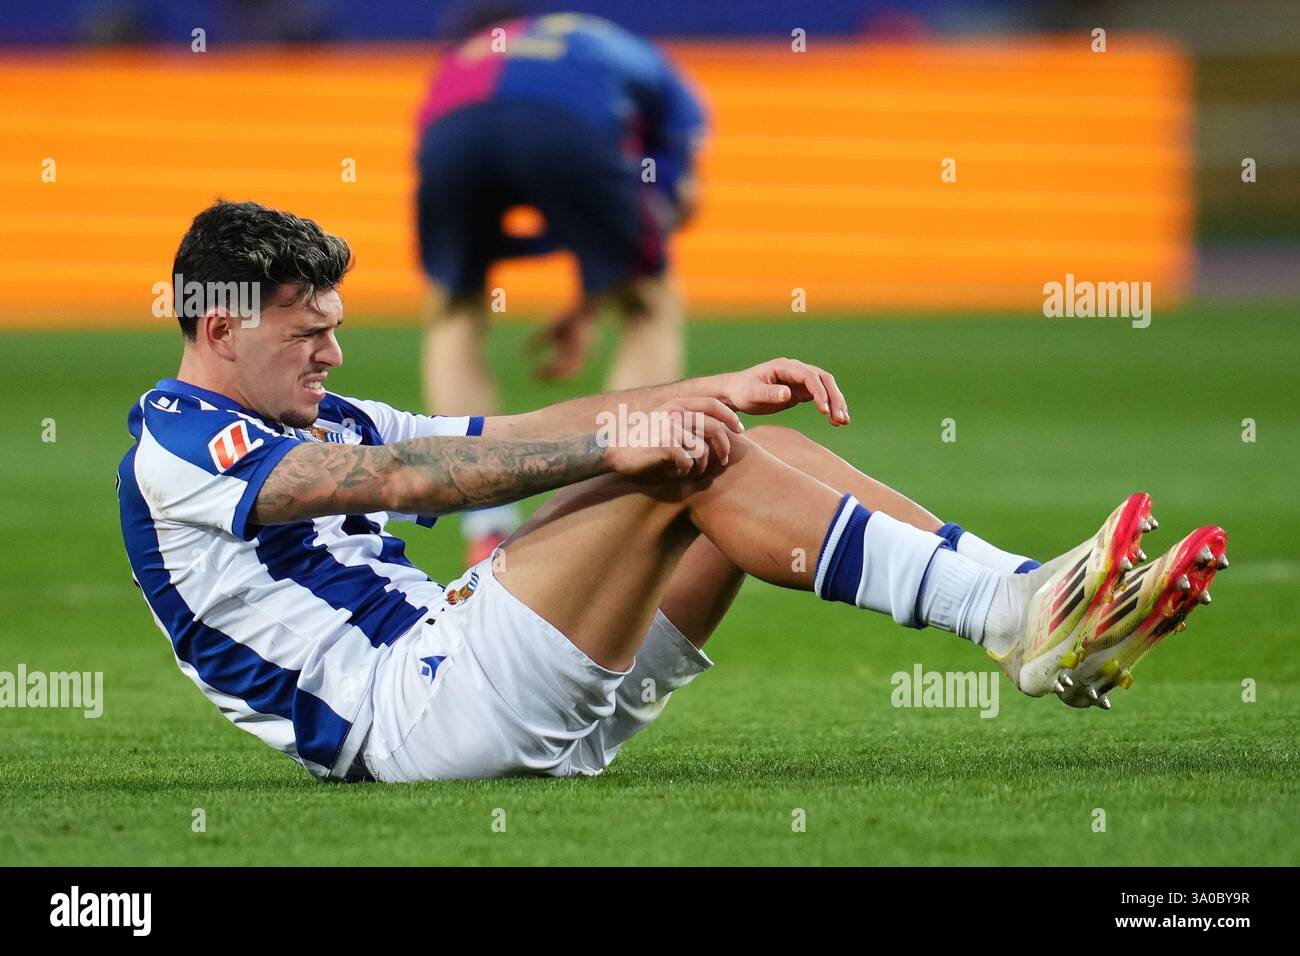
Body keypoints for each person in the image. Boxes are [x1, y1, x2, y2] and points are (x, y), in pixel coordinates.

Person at [117, 201, 1228, 782]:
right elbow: (412, 476)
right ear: (220, 326)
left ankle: (1038, 603)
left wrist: (706, 388)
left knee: (714, 438)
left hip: (466, 672)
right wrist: (634, 445)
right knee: (682, 461)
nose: (332, 357)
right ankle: (1016, 615)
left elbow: (509, 432)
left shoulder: (313, 414)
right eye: (309, 333)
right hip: (412, 718)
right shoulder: (178, 441)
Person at [414, 11, 707, 563]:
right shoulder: (612, 42)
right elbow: (672, 199)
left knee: (454, 312)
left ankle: (488, 524)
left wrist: (586, 303)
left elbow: (484, 144)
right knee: (650, 304)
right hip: (567, 128)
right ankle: (603, 507)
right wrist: (615, 280)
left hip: (452, 133)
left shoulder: (464, 56)